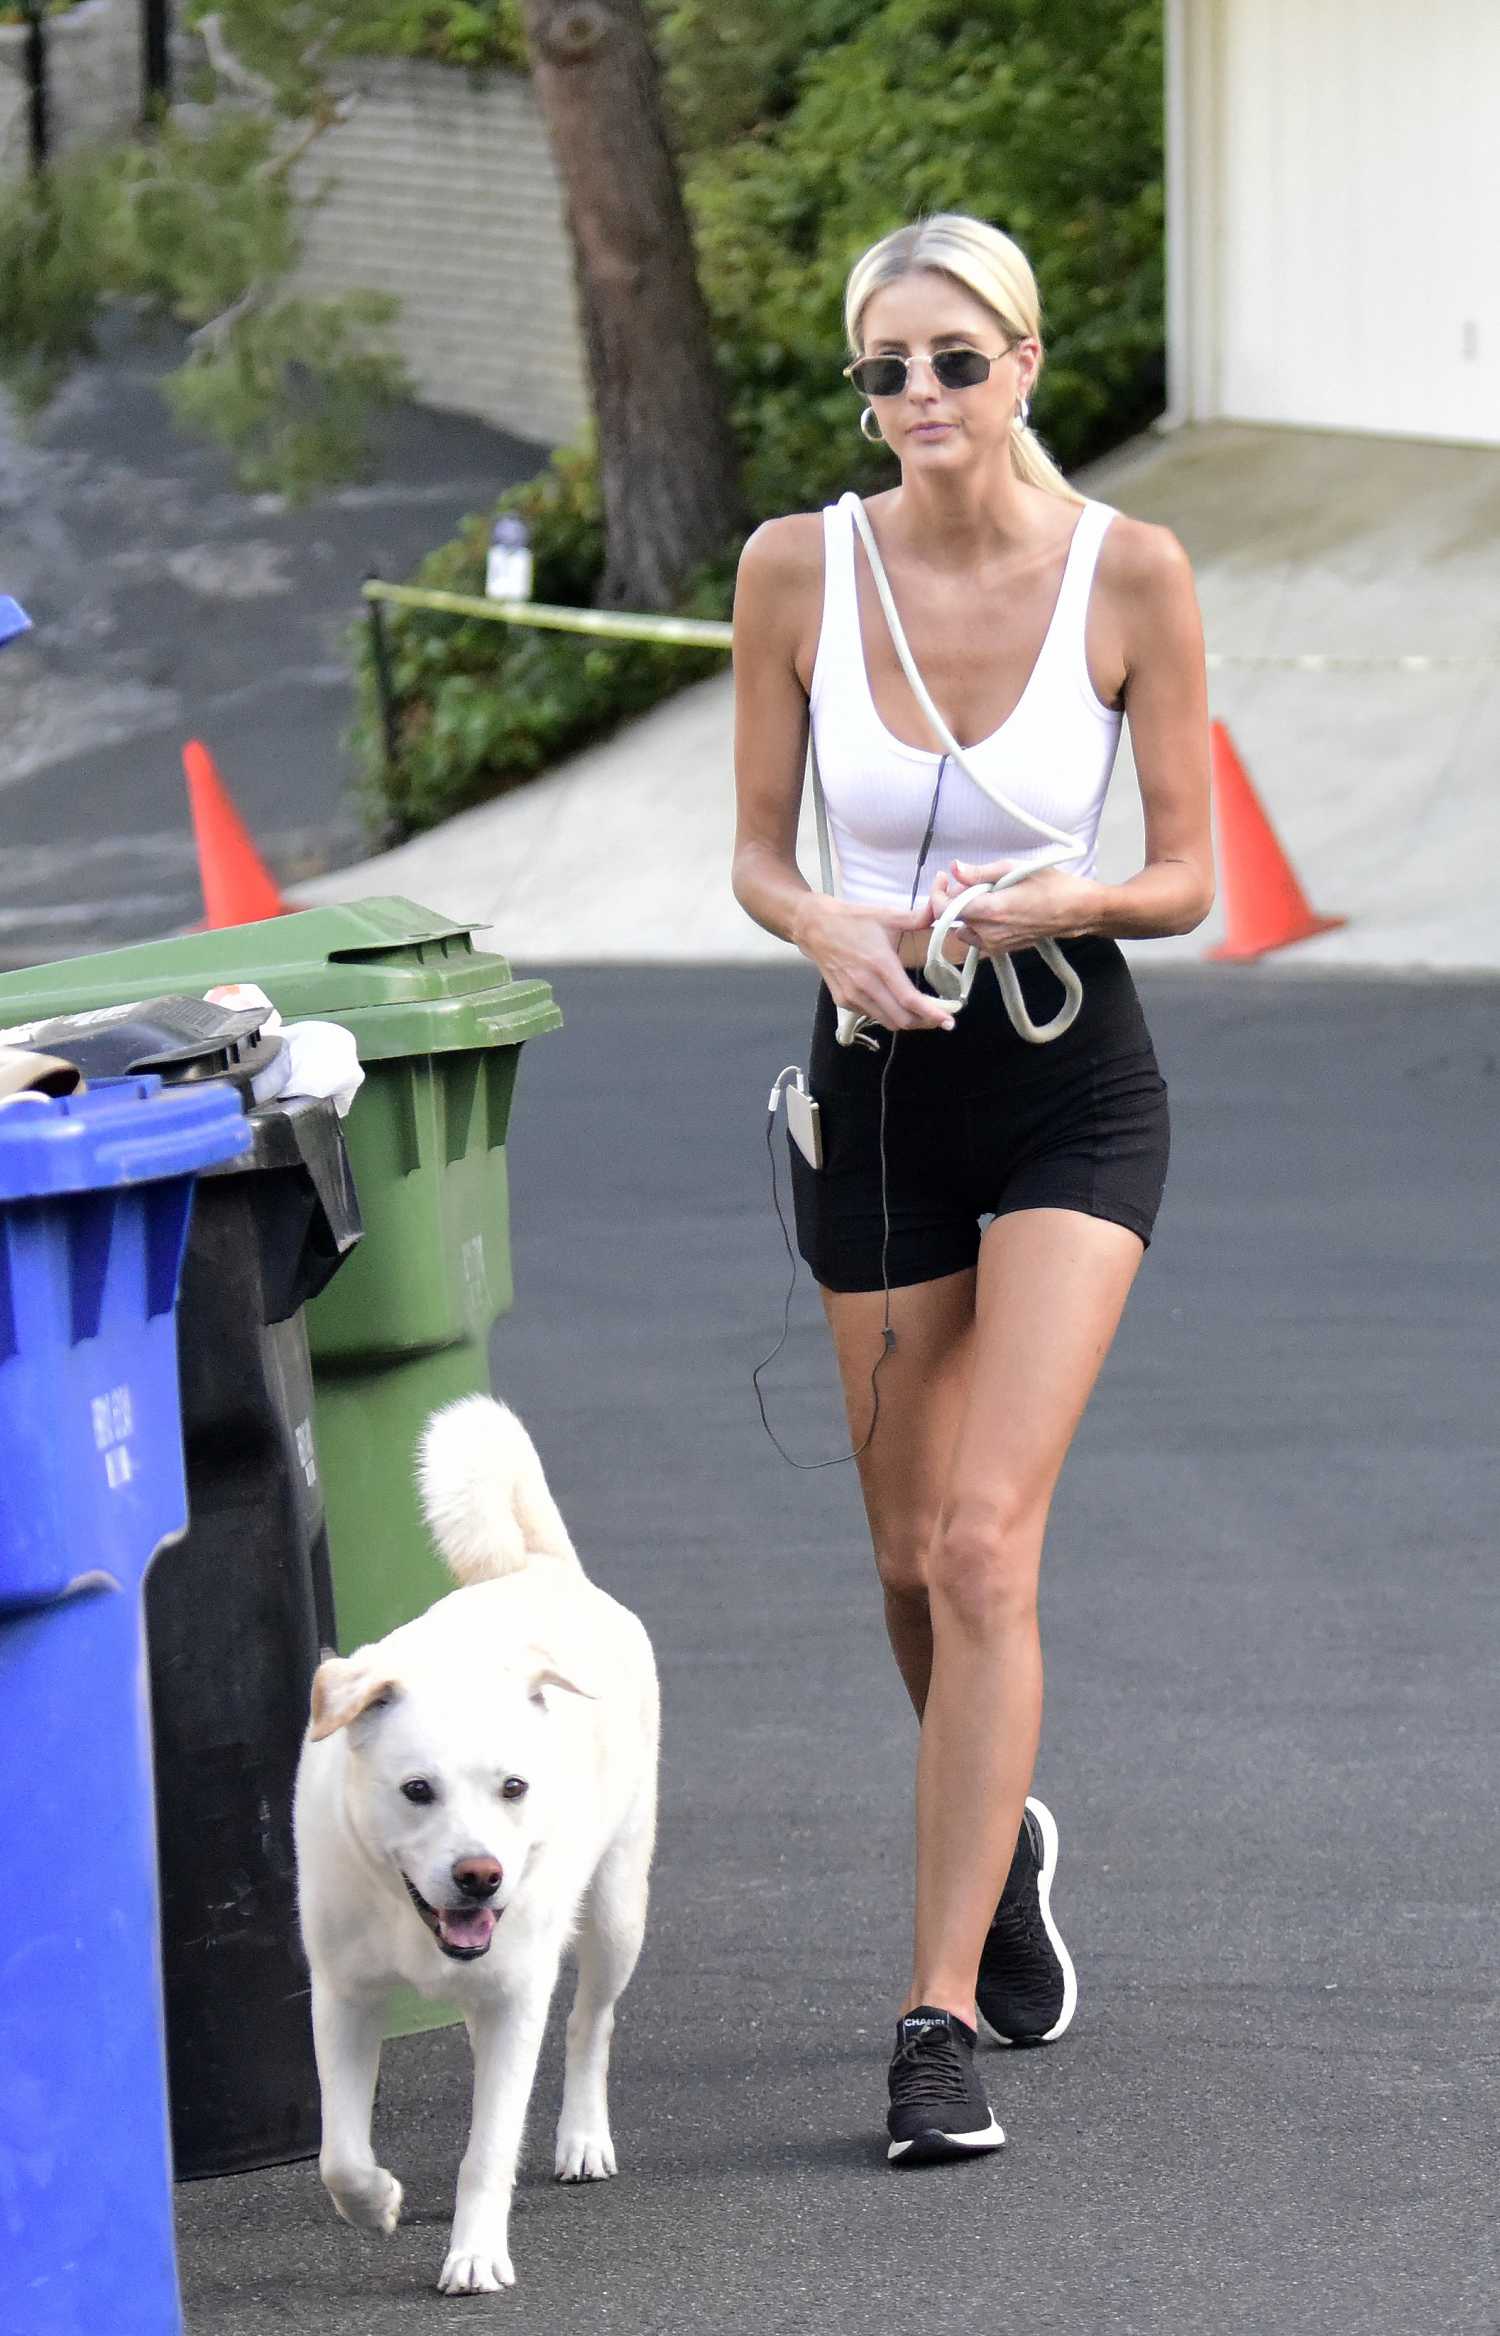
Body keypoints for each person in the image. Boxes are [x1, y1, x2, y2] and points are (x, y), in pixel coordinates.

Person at [730, 213, 1214, 2165]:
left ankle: (931, 2016)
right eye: (884, 369)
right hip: (875, 1089)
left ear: (1027, 358)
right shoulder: (792, 570)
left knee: (992, 1542)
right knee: (910, 1566)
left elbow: (1189, 871)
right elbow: (755, 855)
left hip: (1068, 1081)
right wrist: (824, 925)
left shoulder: (1135, 573)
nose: (918, 398)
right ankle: (994, 1825)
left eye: (953, 358)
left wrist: (1071, 894)